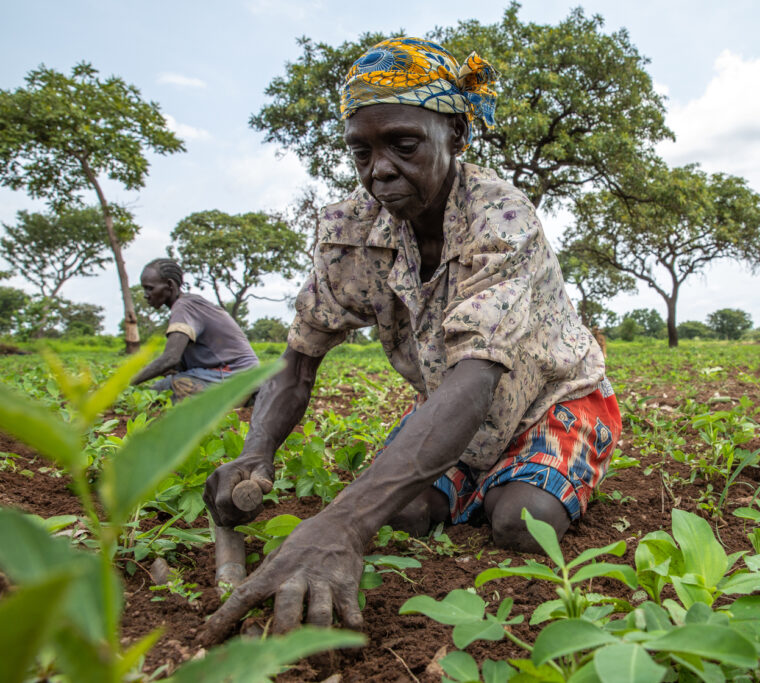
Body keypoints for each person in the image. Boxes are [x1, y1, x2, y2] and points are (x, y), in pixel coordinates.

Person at [200, 37, 621, 642]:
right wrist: (256, 450)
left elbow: (476, 378)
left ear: (456, 134)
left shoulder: (501, 219)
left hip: (551, 399)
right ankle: (478, 477)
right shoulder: (349, 232)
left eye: (404, 145)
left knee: (522, 522)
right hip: (451, 409)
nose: (379, 169)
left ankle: (512, 480)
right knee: (398, 513)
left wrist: (342, 525)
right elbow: (297, 362)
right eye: (361, 151)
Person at [131, 258, 259, 401]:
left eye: (150, 288)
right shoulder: (189, 304)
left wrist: (126, 383)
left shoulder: (184, 307)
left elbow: (170, 358)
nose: (146, 295)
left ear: (170, 285)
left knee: (163, 390)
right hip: (242, 375)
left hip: (233, 374)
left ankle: (238, 398)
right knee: (166, 384)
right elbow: (176, 363)